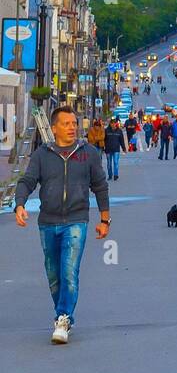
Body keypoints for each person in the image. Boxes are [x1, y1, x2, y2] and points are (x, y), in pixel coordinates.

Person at [14, 106, 111, 344]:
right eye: (66, 124)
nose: (72, 128)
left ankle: (63, 318)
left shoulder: (88, 153)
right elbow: (27, 181)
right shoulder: (42, 154)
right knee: (54, 274)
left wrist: (104, 220)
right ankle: (63, 313)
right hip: (48, 221)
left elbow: (100, 186)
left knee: (69, 271)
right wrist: (19, 204)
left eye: (74, 124)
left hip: (77, 220)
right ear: (54, 128)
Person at [102, 115, 124, 181]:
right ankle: (110, 175)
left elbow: (121, 140)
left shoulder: (119, 131)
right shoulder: (106, 131)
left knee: (116, 162)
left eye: (114, 123)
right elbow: (103, 140)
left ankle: (116, 175)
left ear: (116, 124)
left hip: (116, 149)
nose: (113, 124)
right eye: (112, 123)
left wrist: (124, 148)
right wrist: (103, 148)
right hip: (108, 149)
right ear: (110, 124)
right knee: (109, 164)